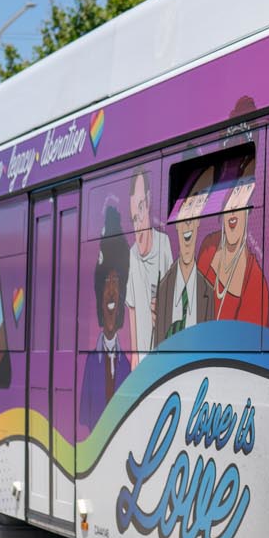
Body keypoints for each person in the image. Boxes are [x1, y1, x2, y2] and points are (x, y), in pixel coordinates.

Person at [196, 153, 268, 325]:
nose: (235, 203)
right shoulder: (208, 247)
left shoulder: (256, 281)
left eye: (246, 190)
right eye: (235, 190)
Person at [80, 203, 132, 430]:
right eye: (106, 281)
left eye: (116, 281)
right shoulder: (91, 363)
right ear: (99, 293)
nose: (111, 290)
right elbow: (84, 421)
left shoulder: (126, 366)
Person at [158, 162, 216, 338]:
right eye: (185, 210)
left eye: (194, 214)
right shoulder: (163, 289)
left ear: (198, 222)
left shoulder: (208, 291)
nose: (188, 221)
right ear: (176, 225)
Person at [123, 169, 173, 361]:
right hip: (144, 362)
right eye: (134, 218)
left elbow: (174, 299)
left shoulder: (163, 244)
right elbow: (132, 312)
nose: (138, 225)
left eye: (141, 209)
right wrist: (135, 360)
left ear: (149, 201)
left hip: (162, 355)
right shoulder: (132, 256)